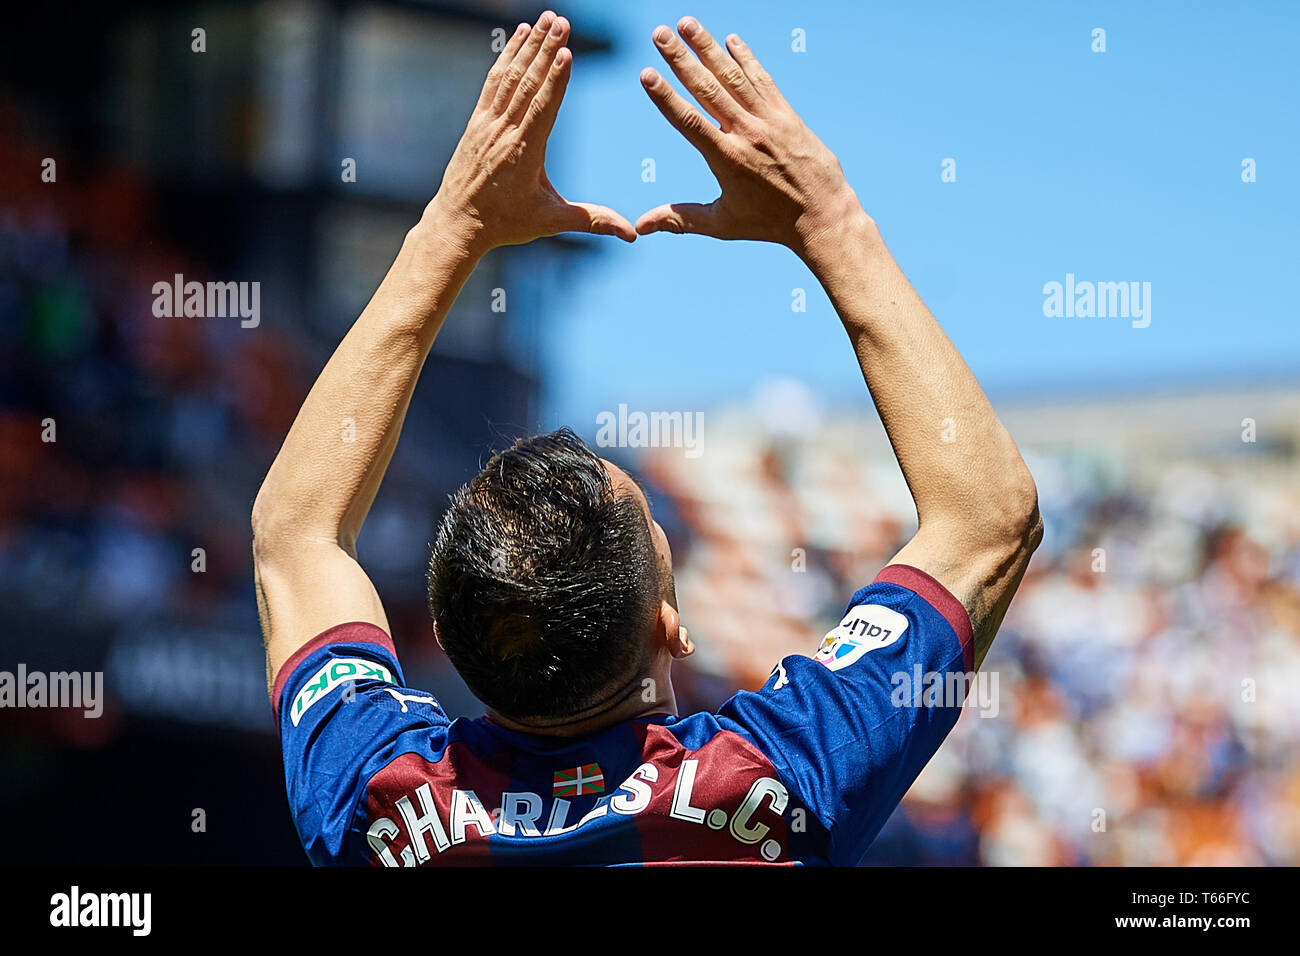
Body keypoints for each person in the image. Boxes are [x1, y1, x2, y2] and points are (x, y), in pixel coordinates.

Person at [252, 11, 1042, 866]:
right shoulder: (776, 784)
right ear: (673, 625)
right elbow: (990, 517)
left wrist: (449, 228)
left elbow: (294, 536)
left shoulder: (379, 802)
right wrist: (829, 219)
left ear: (450, 641)